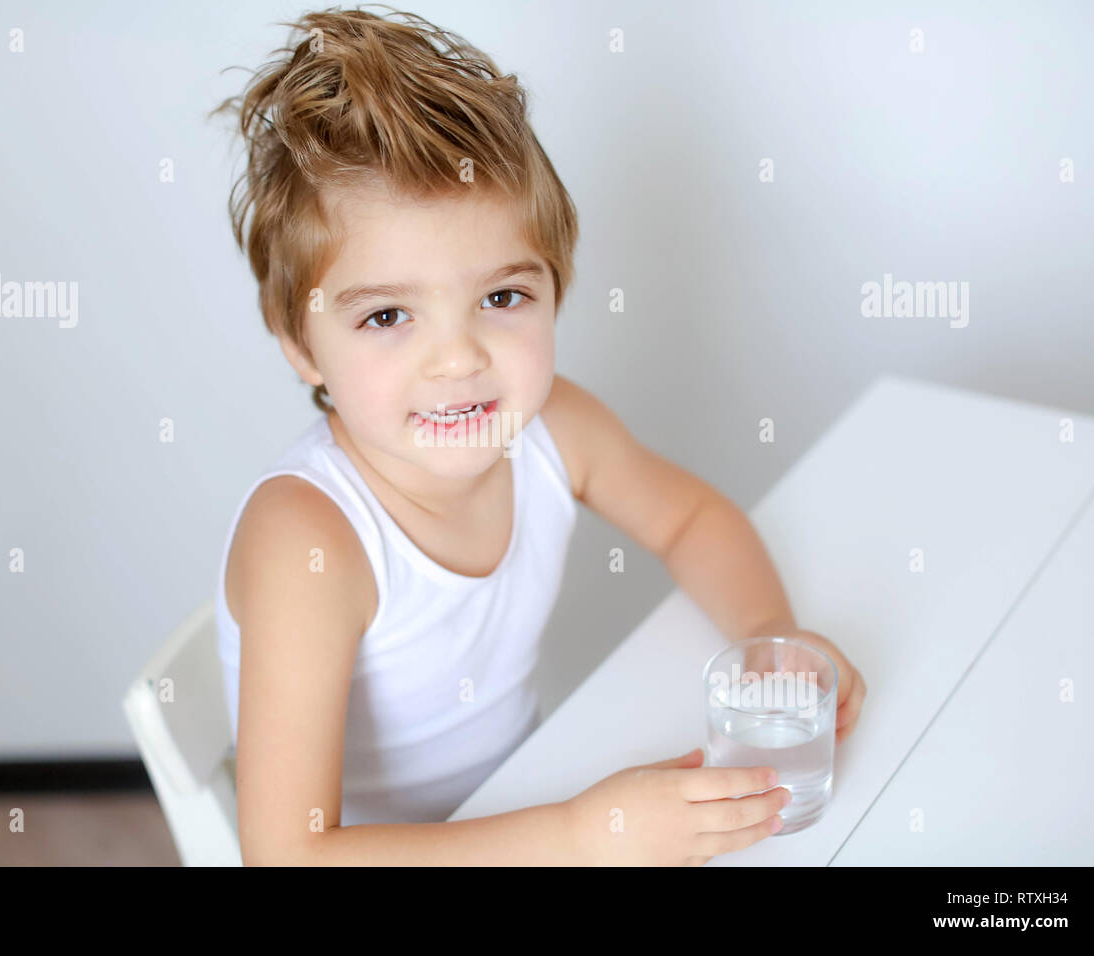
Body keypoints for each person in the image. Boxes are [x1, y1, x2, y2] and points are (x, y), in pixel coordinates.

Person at [210, 6, 865, 865]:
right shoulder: (308, 541)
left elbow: (690, 521)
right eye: (388, 315)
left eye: (502, 298)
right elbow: (286, 857)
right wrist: (581, 835)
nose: (456, 359)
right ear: (300, 343)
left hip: (524, 804)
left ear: (555, 289)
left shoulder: (556, 428)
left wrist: (773, 633)